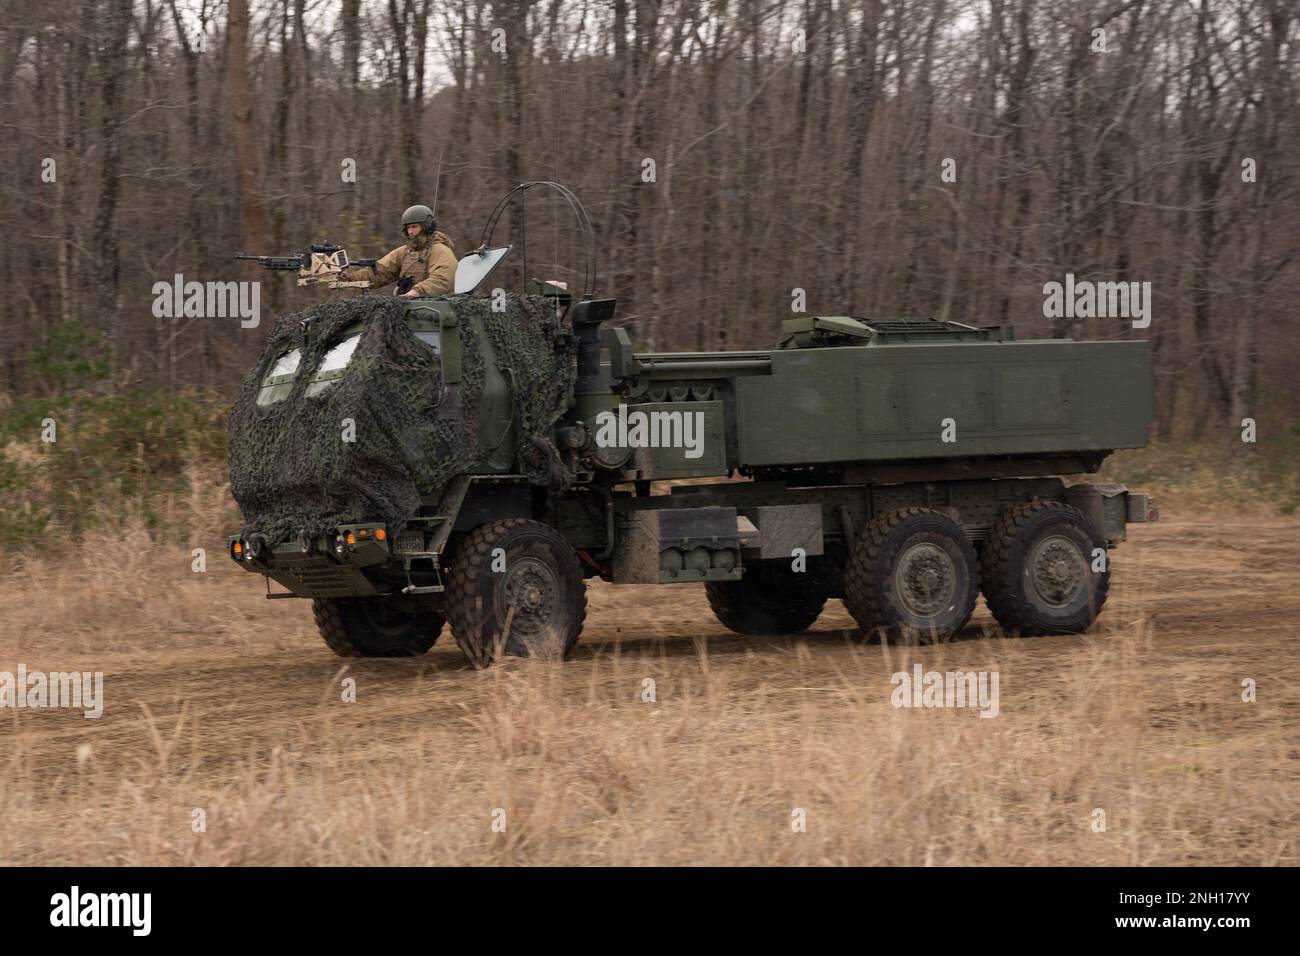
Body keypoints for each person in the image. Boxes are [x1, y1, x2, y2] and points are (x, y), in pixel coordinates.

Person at [342, 204, 457, 297]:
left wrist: (418, 291)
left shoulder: (440, 250)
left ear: (426, 226)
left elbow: (442, 279)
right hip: (407, 307)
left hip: (435, 309)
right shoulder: (404, 252)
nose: (410, 231)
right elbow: (380, 272)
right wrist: (350, 277)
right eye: (408, 228)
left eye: (414, 226)